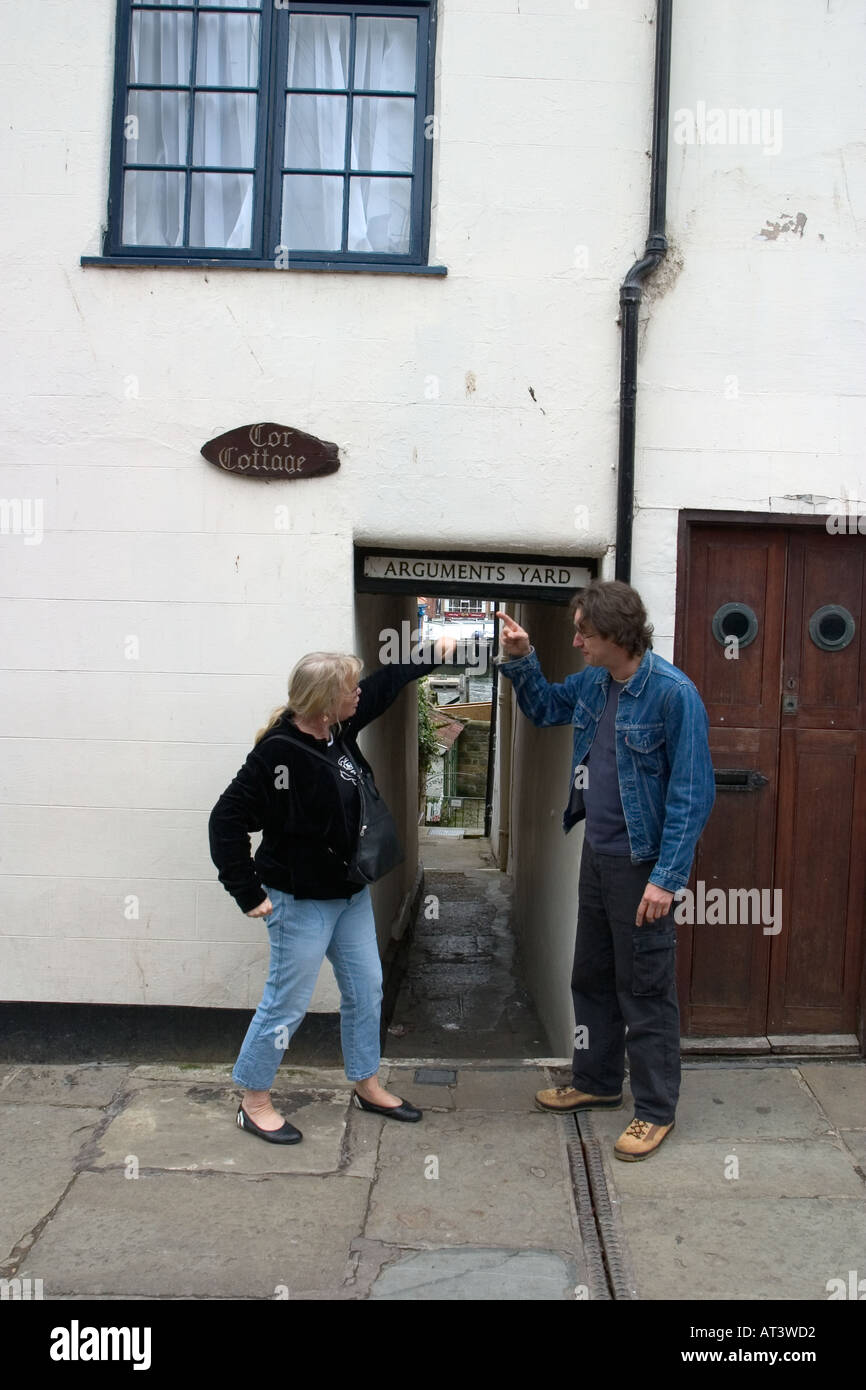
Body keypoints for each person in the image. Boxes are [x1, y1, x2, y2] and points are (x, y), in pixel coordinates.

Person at [494, 581, 715, 1160]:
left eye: (583, 634)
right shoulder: (595, 682)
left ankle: (655, 1110)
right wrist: (522, 660)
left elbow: (693, 793)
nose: (576, 641)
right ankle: (595, 1083)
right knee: (590, 976)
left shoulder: (673, 695)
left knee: (644, 988)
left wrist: (667, 878)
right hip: (599, 854)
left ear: (617, 635)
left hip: (643, 865)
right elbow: (543, 709)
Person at [209, 637, 456, 1144]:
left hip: (348, 896)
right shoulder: (279, 754)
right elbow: (225, 820)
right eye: (348, 689)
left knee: (366, 990)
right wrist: (248, 892)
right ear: (324, 700)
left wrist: (432, 652)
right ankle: (253, 1100)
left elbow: (383, 686)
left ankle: (366, 1084)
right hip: (299, 901)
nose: (357, 695)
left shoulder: (337, 729)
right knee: (286, 1005)